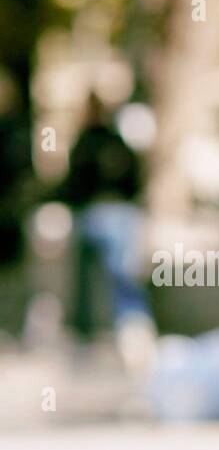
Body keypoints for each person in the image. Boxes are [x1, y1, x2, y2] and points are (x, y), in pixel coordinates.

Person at [62, 93, 155, 375]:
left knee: (108, 275)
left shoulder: (89, 144)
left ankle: (100, 330)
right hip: (117, 213)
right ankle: (130, 326)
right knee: (121, 274)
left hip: (100, 214)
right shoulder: (116, 142)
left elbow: (74, 183)